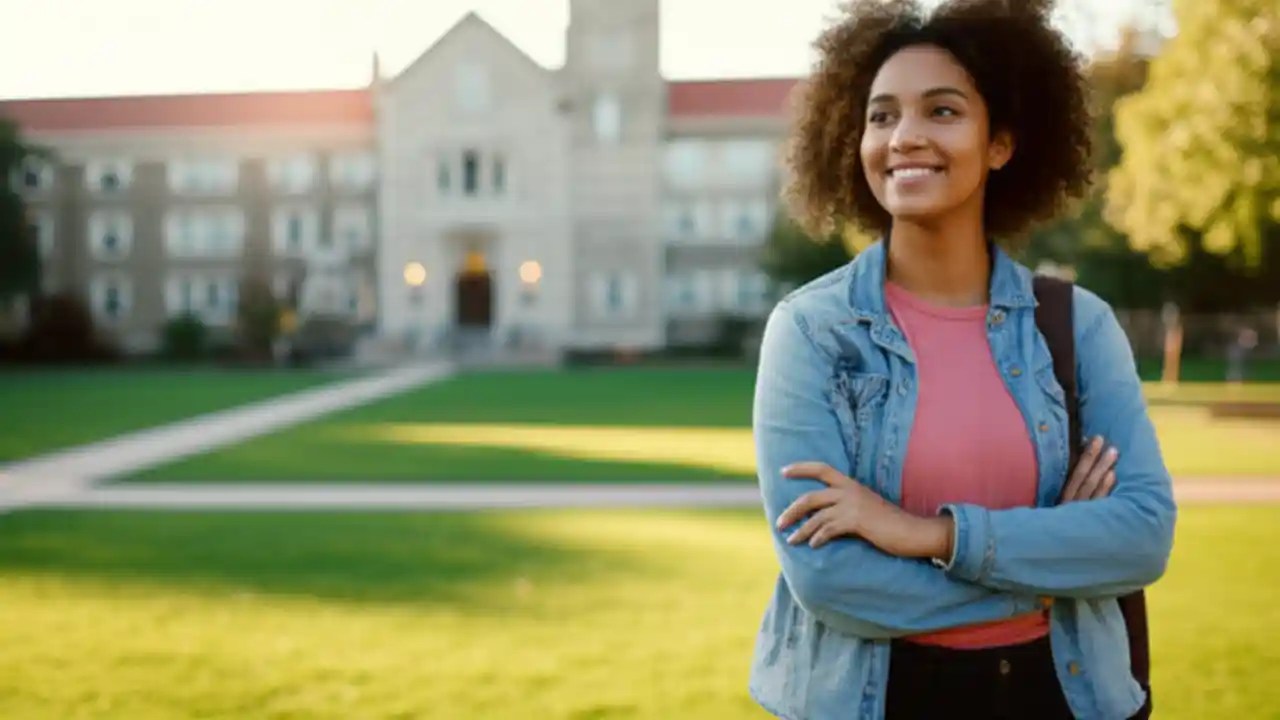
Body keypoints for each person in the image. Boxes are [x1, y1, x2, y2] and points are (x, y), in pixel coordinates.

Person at [748, 1, 1177, 718]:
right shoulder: (812, 332)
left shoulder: (1077, 327)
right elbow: (828, 579)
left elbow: (1141, 536)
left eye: (941, 111)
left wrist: (930, 536)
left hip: (1058, 692)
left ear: (1000, 143)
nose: (904, 136)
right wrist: (1047, 579)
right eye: (881, 116)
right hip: (876, 699)